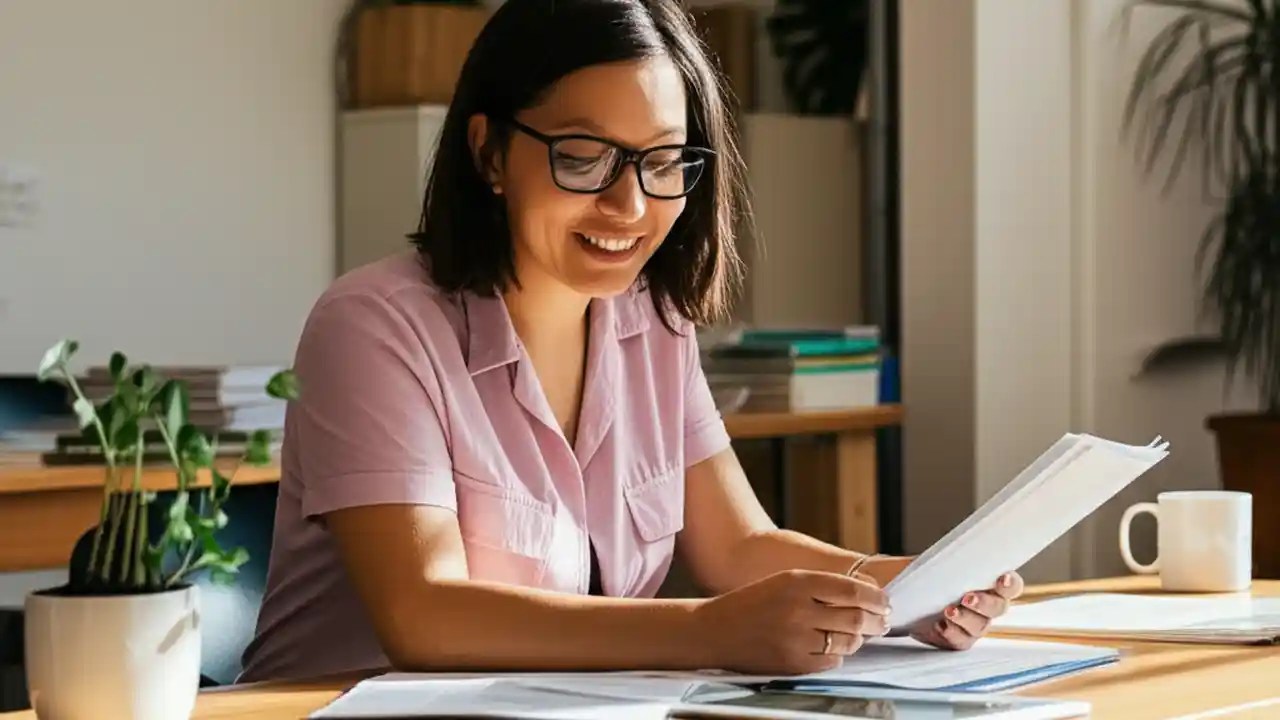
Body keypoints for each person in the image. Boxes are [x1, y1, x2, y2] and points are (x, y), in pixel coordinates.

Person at [238, 0, 1023, 683]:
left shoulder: (653, 322)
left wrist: (913, 588)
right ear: (488, 152)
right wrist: (706, 631)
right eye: (584, 158)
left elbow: (740, 546)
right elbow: (424, 613)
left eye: (663, 162)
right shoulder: (374, 325)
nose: (630, 203)